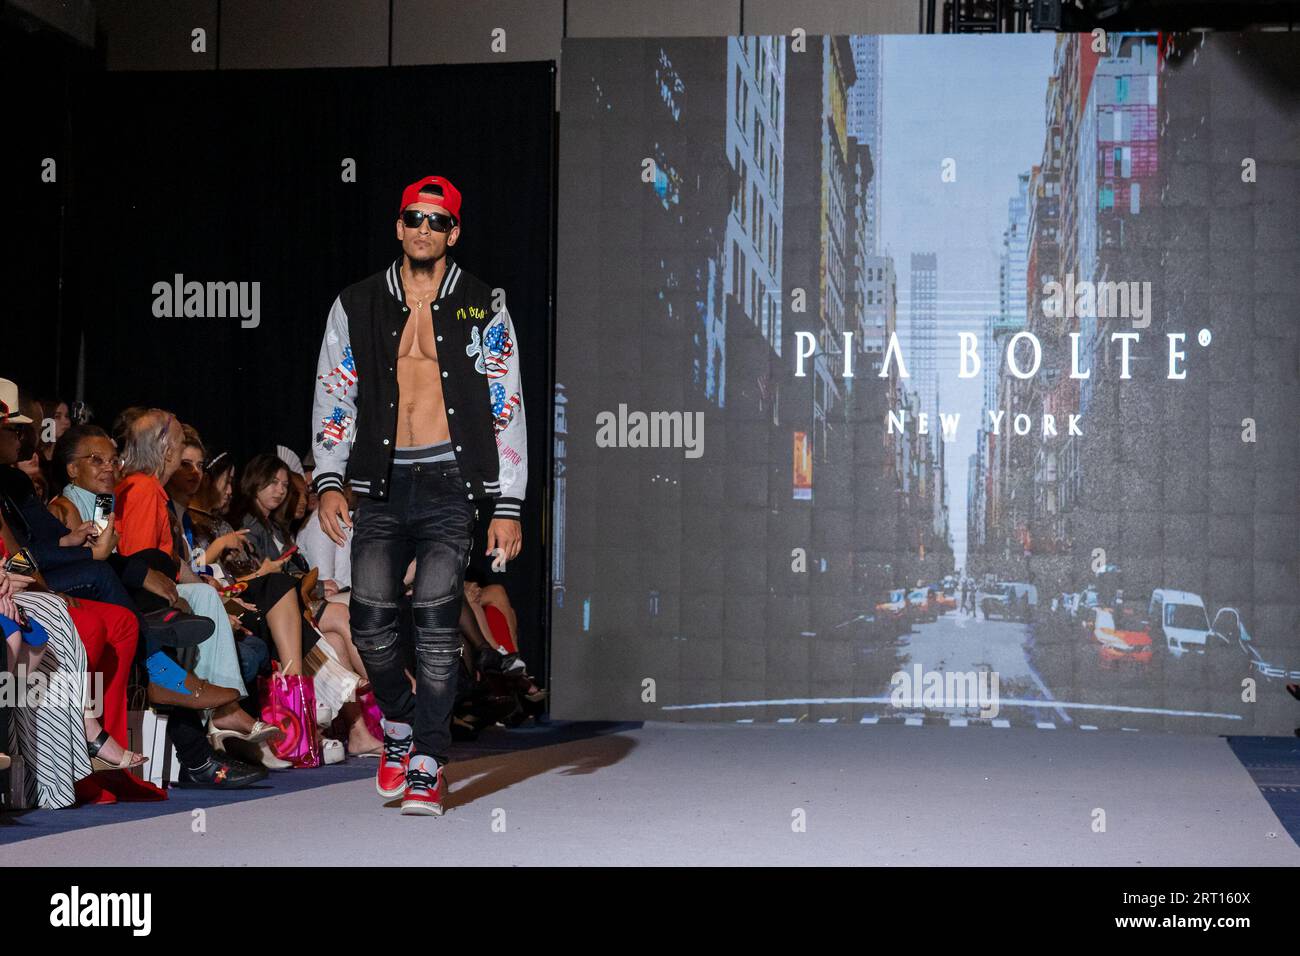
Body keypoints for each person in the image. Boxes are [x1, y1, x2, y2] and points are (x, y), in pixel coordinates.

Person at [313, 175, 527, 815]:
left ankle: (429, 759)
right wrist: (329, 478)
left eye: (437, 221)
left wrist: (508, 501)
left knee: (437, 620)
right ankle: (401, 727)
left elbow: (504, 401)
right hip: (379, 482)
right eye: (414, 218)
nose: (424, 229)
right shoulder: (356, 304)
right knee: (370, 620)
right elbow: (335, 393)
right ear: (398, 227)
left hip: (448, 485)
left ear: (453, 232)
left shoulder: (480, 303)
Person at [114, 408, 277, 782]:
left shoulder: (147, 489)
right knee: (201, 602)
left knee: (204, 598)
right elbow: (144, 561)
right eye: (177, 444)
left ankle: (221, 717)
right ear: (165, 450)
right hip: (138, 604)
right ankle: (223, 714)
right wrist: (181, 595)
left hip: (147, 601)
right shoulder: (142, 489)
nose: (181, 452)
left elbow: (166, 561)